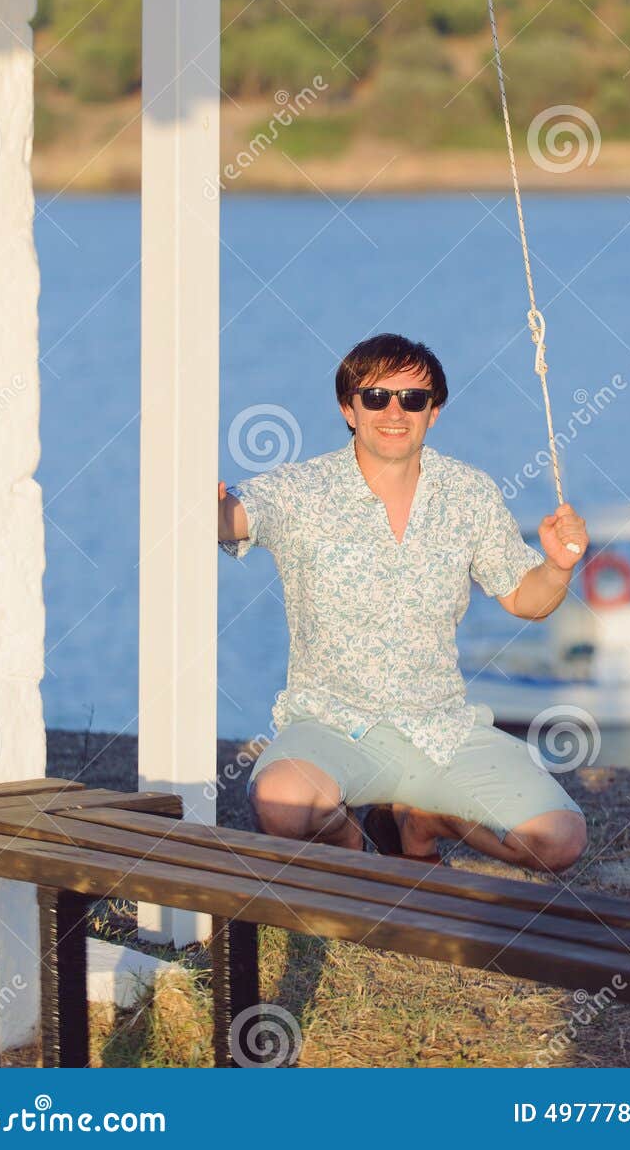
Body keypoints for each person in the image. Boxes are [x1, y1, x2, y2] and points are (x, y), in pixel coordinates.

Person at [218, 332, 589, 872]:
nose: (395, 411)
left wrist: (557, 566)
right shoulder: (302, 489)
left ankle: (419, 822)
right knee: (282, 803)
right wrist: (203, 501)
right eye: (376, 397)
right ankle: (353, 850)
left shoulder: (469, 493)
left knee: (560, 839)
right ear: (348, 408)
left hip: (439, 728)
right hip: (330, 725)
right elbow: (232, 519)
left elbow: (524, 598)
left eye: (413, 399)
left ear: (433, 412)